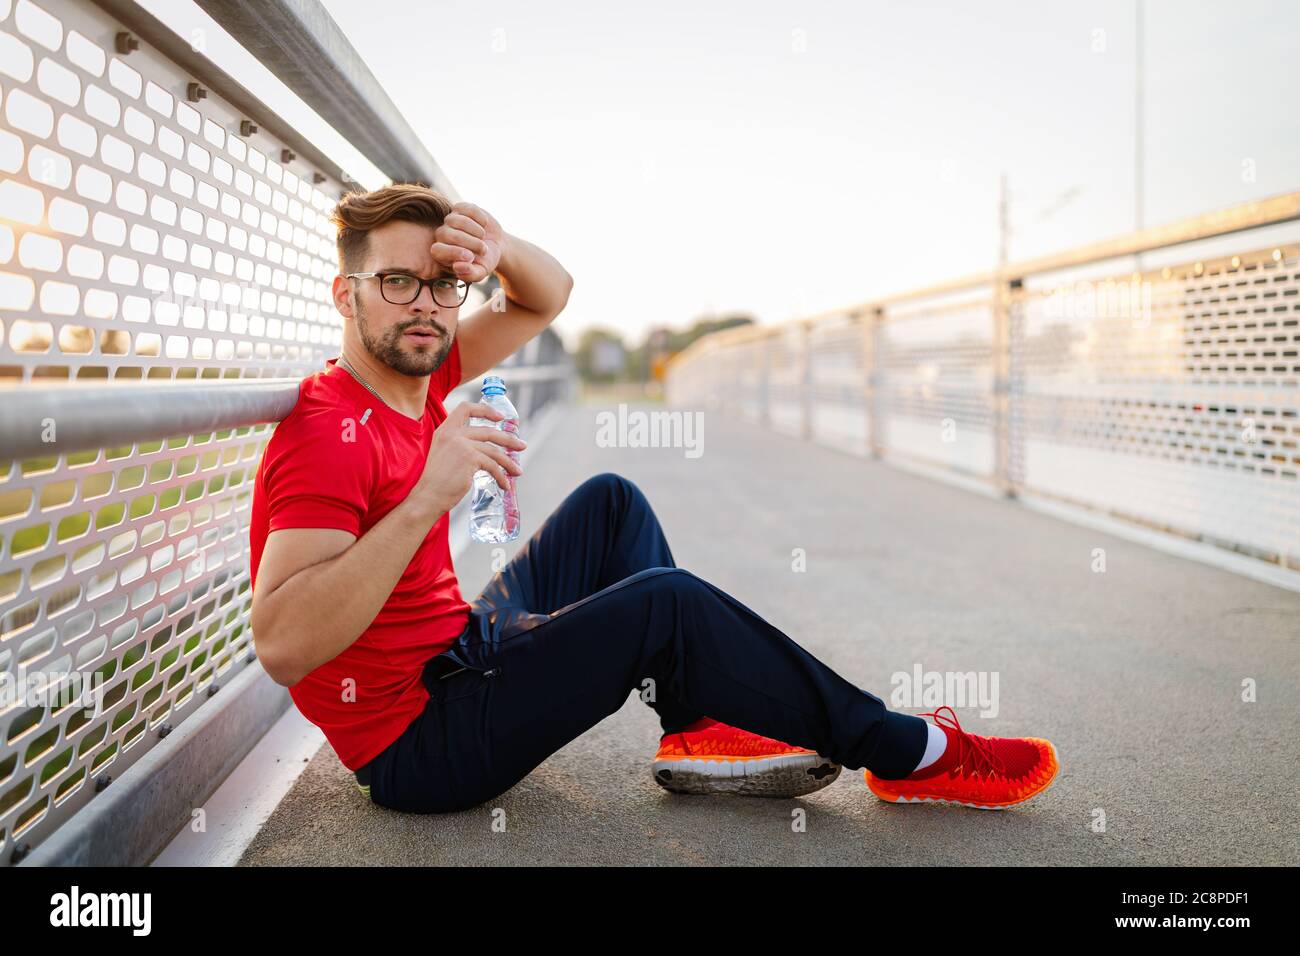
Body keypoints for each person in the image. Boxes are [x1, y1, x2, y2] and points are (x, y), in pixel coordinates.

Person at [249, 183, 1060, 815]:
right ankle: (907, 751)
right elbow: (284, 645)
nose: (424, 304)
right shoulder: (327, 431)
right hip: (420, 744)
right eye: (396, 282)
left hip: (459, 649)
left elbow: (548, 293)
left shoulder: (422, 367)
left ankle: (697, 729)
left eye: (438, 284)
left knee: (611, 502)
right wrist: (431, 492)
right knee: (663, 605)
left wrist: (497, 246)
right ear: (344, 294)